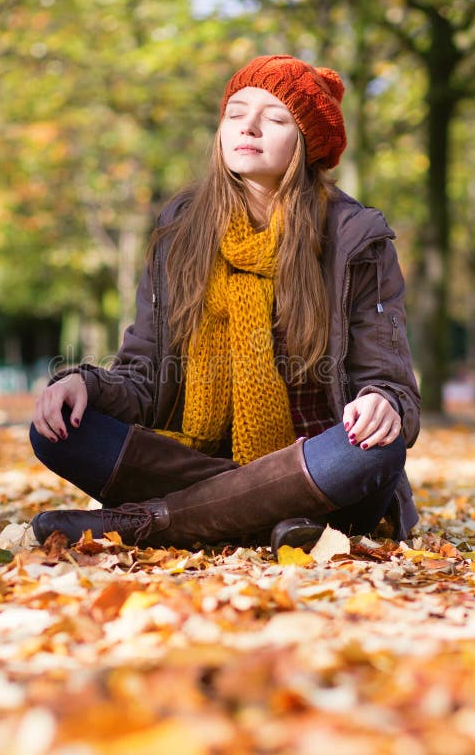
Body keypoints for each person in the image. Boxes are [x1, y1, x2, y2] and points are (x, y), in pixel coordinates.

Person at [29, 54, 420, 553]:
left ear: (308, 144)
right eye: (236, 113)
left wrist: (381, 402)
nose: (249, 127)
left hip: (318, 468)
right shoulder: (181, 232)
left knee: (376, 452)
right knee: (58, 432)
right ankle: (274, 519)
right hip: (203, 459)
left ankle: (146, 523)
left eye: (275, 118)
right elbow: (144, 378)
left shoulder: (353, 239)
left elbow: (392, 383)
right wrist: (82, 383)